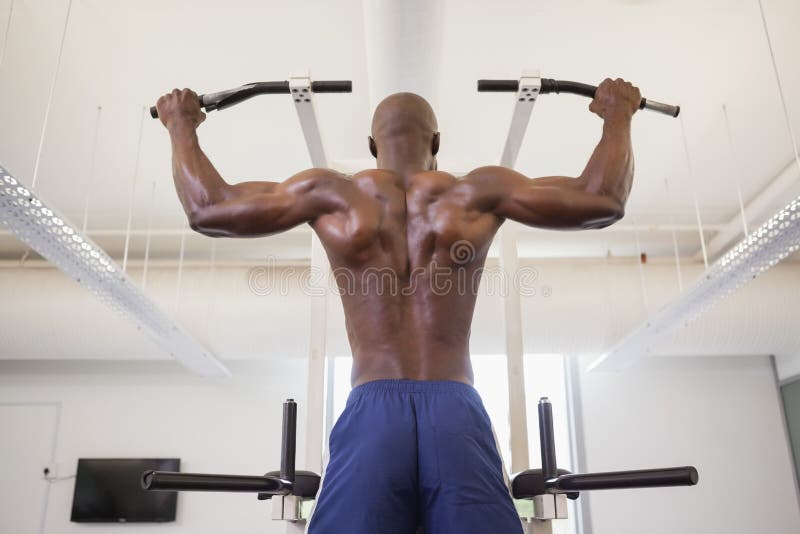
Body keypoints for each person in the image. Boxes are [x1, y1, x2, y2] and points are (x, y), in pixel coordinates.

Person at [155, 78, 641, 534]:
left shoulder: (330, 195)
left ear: (372, 147)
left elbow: (209, 209)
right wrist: (617, 115)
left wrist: (181, 126)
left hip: (372, 410)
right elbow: (602, 199)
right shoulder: (478, 192)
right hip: (454, 406)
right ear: (437, 142)